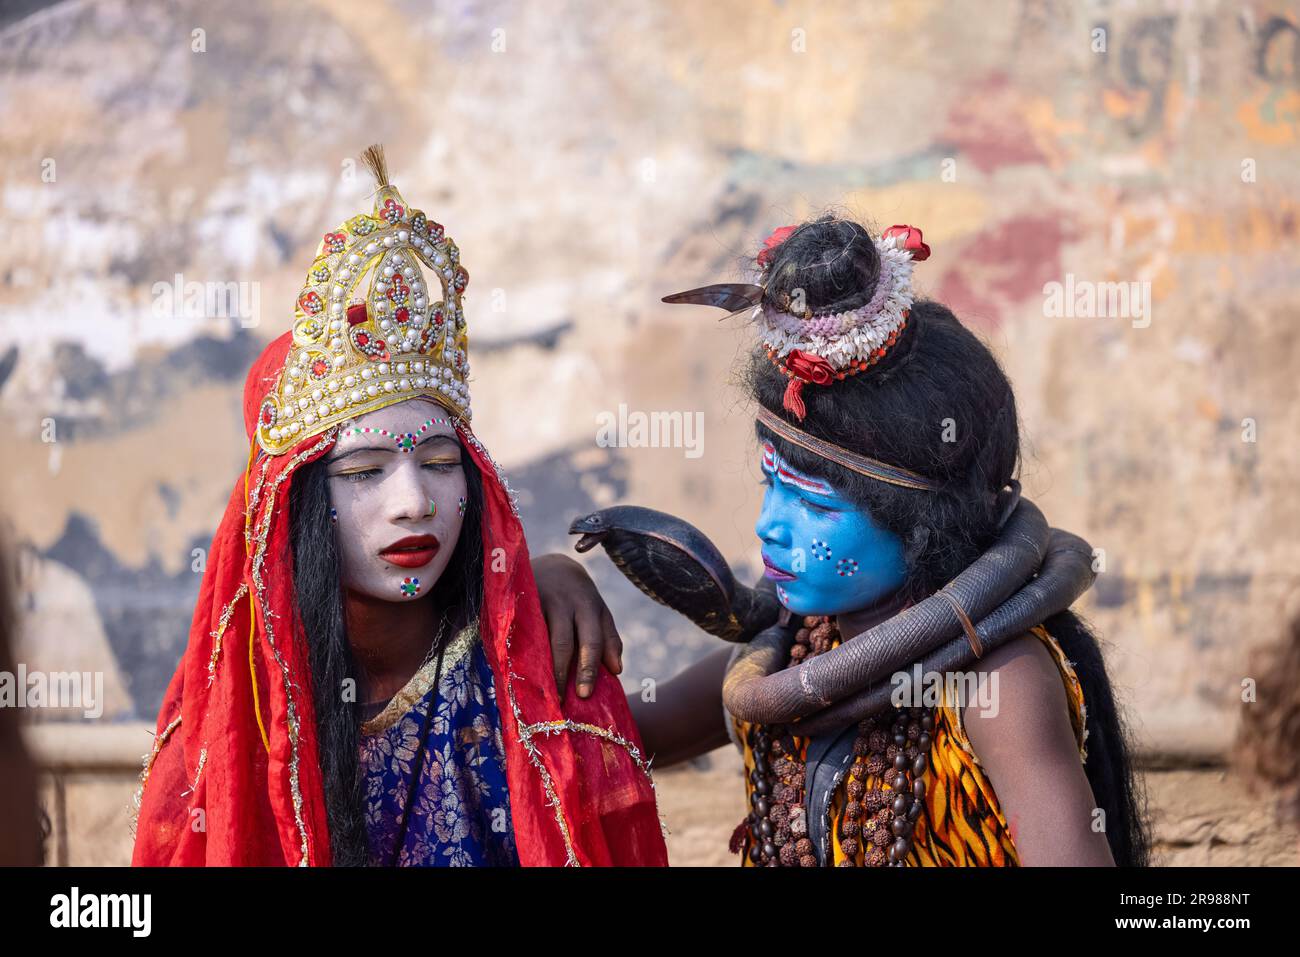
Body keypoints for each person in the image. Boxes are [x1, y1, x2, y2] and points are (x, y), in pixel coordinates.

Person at [132, 147, 665, 867]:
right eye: (364, 471)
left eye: (441, 464)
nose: (414, 502)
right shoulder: (236, 707)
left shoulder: (539, 676)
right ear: (293, 501)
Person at [627, 215, 1149, 866]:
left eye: (814, 502)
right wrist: (552, 583)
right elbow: (607, 736)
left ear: (923, 525)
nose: (769, 524)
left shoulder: (996, 686)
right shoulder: (791, 650)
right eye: (772, 483)